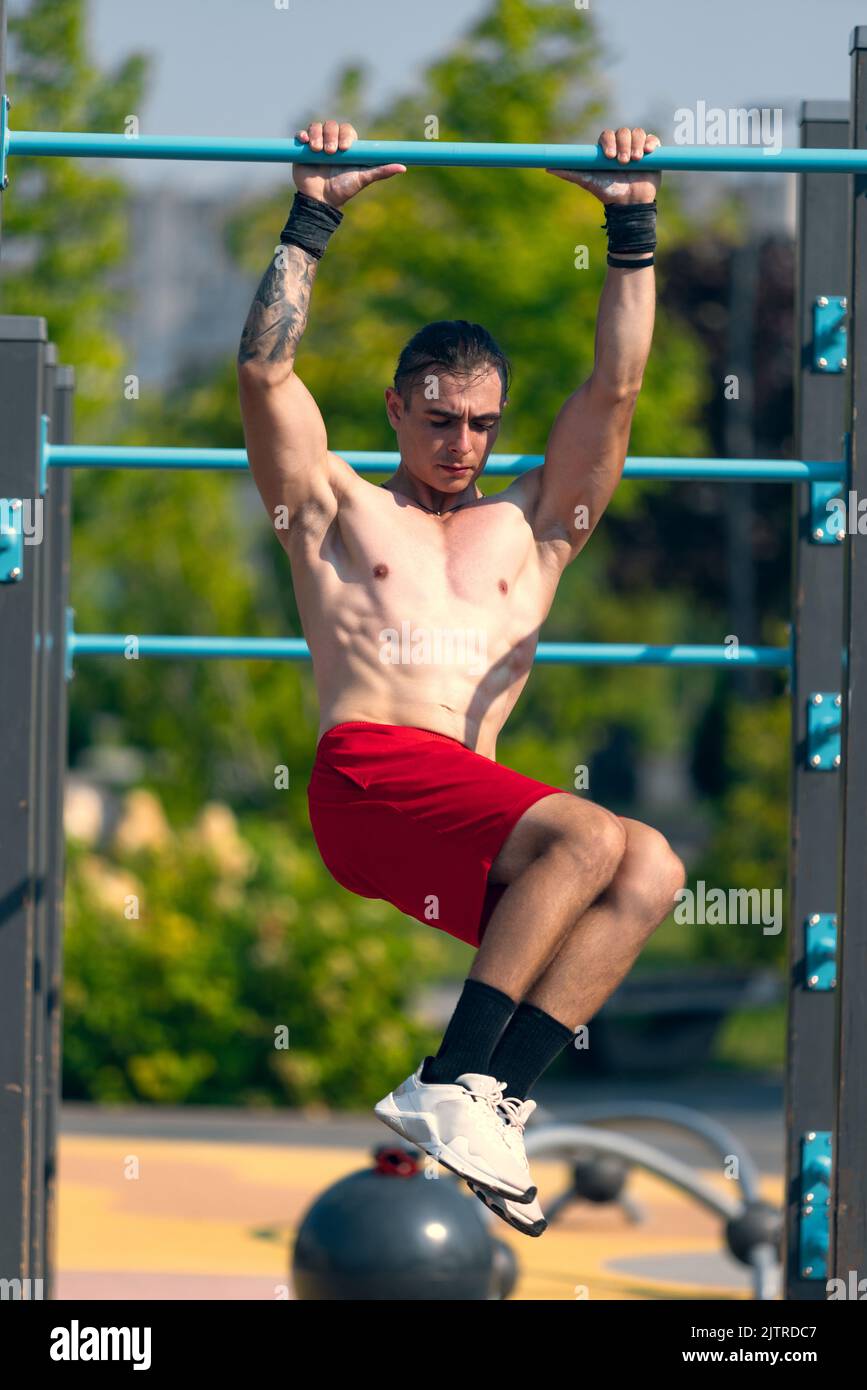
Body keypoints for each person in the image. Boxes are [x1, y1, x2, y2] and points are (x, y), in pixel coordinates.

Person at [236, 120, 685, 1238]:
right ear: (396, 409)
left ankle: (491, 1097)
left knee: (651, 868)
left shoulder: (534, 526)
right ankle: (448, 1076)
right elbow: (264, 371)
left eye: (483, 424)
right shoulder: (337, 511)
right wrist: (314, 214)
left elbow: (616, 390)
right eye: (440, 420)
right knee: (586, 835)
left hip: (466, 818)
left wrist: (631, 223)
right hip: (370, 774)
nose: (463, 445)